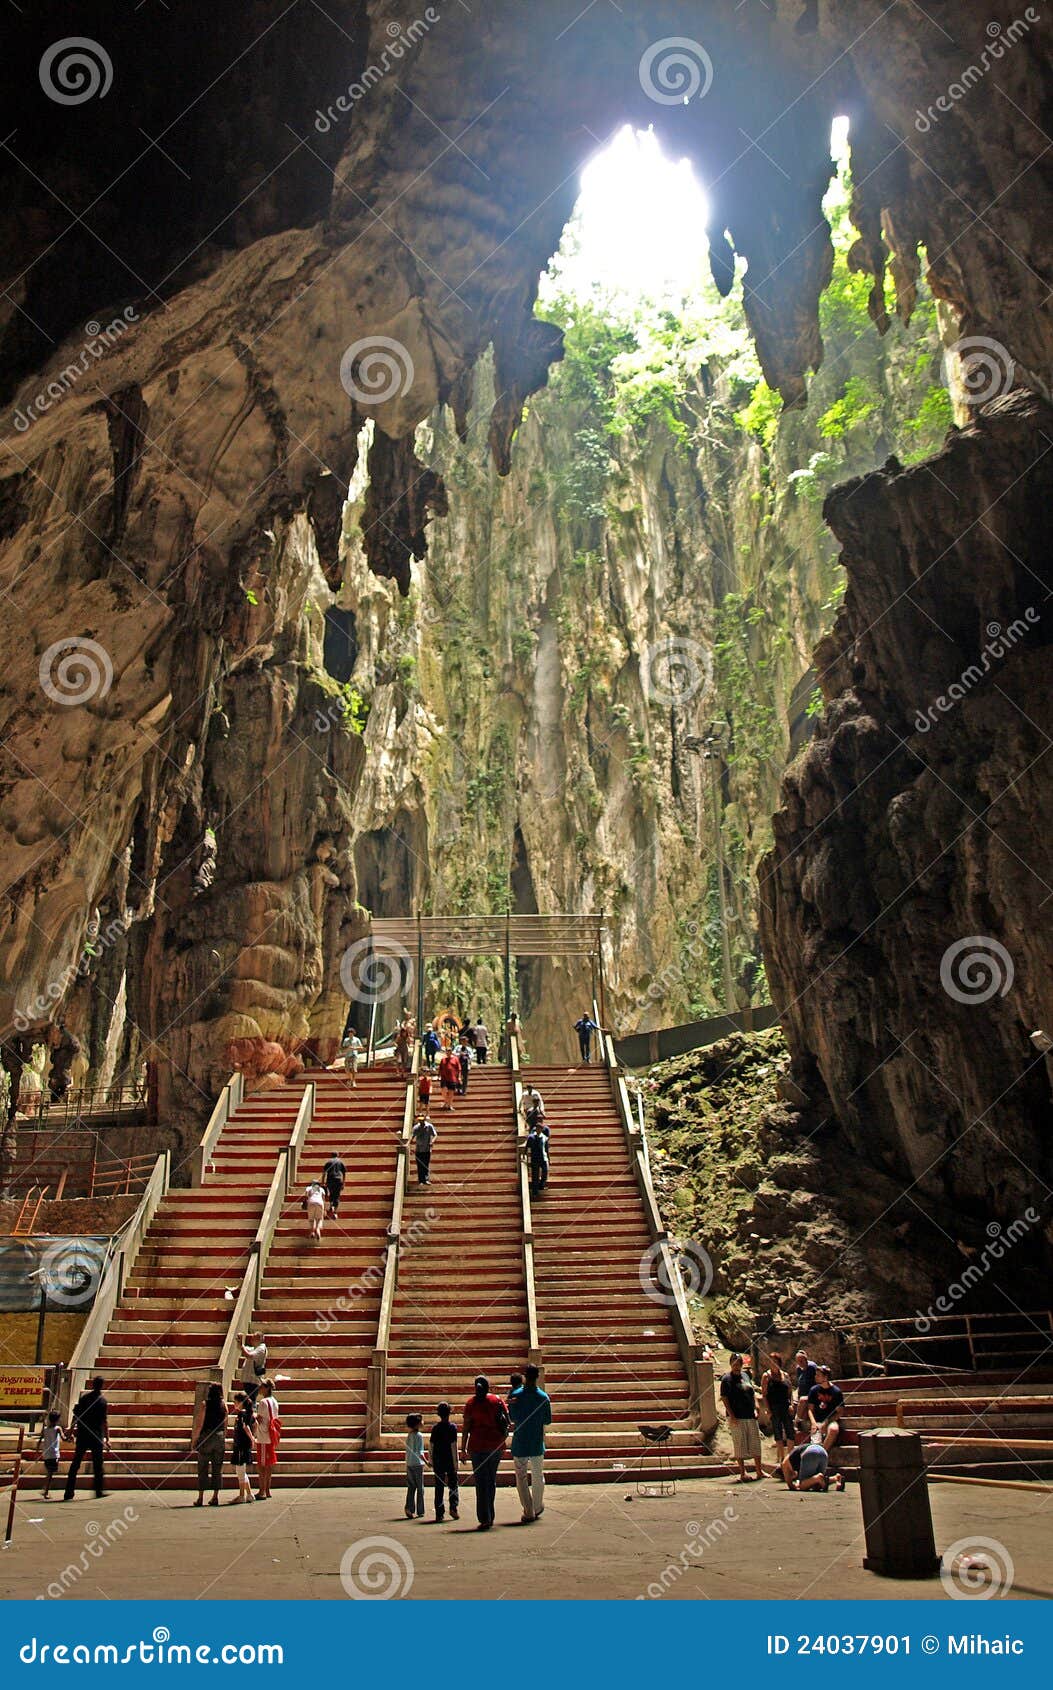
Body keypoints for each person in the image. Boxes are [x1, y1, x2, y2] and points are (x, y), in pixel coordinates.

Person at [460, 1375, 508, 1530]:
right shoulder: (497, 1400)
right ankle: (490, 1514)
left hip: (477, 1446)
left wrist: (463, 1449)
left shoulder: (471, 1403)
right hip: (495, 1445)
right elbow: (507, 1422)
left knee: (480, 1482)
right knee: (490, 1480)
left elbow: (466, 1428)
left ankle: (484, 1517)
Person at [509, 1363, 551, 1523]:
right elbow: (547, 1420)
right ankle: (537, 1506)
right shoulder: (543, 1397)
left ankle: (528, 1511)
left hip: (520, 1440)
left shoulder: (515, 1395)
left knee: (521, 1477)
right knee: (538, 1475)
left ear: (525, 1376)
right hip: (536, 1441)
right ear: (537, 1377)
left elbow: (512, 1417)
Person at [62, 1376, 110, 1499]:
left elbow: (76, 1415)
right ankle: (98, 1491)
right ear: (102, 1386)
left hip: (83, 1434)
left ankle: (69, 1491)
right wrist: (107, 1438)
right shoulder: (102, 1401)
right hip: (96, 1436)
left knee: (76, 1463)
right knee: (98, 1465)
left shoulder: (84, 1398)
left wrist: (71, 1430)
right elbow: (104, 1421)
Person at [720, 1353, 764, 1482]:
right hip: (737, 1416)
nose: (736, 1366)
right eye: (734, 1364)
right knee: (740, 1444)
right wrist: (732, 1415)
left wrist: (756, 1407)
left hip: (750, 1414)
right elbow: (724, 1398)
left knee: (755, 1442)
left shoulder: (745, 1376)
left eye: (738, 1364)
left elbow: (752, 1392)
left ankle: (759, 1471)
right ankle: (742, 1472)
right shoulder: (727, 1379)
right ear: (731, 1364)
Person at [191, 1381, 227, 1507]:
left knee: (202, 1467)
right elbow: (225, 1423)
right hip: (219, 1436)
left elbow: (199, 1424)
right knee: (217, 1468)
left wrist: (195, 1439)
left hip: (206, 1436)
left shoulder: (205, 1404)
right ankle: (215, 1496)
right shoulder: (223, 1405)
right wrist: (223, 1437)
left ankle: (200, 1497)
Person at [761, 1350, 796, 1473]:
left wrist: (791, 1404)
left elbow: (790, 1391)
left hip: (785, 1405)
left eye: (775, 1361)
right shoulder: (766, 1376)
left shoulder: (785, 1375)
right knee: (778, 1432)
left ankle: (791, 1457)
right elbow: (764, 1394)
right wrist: (768, 1409)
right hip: (774, 1407)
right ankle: (781, 1458)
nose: (773, 1363)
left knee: (790, 1430)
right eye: (771, 1361)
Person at [430, 1402, 459, 1521]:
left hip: (438, 1460)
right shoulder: (452, 1428)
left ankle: (439, 1513)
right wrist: (456, 1462)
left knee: (439, 1486)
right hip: (449, 1460)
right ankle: (453, 1507)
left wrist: (431, 1460)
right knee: (453, 1484)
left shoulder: (435, 1428)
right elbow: (454, 1446)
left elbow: (431, 1445)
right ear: (449, 1413)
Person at [807, 1365, 845, 1451]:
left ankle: (823, 1453)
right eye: (816, 1374)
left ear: (825, 1377)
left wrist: (827, 1422)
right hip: (817, 1421)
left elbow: (840, 1412)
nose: (815, 1377)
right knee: (815, 1441)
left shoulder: (836, 1392)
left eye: (818, 1375)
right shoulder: (813, 1390)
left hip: (831, 1420)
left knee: (833, 1429)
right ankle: (818, 1453)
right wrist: (813, 1423)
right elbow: (810, 1409)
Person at [254, 1379, 280, 1498]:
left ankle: (262, 1490)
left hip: (263, 1436)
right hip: (271, 1435)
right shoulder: (274, 1401)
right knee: (269, 1465)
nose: (259, 1388)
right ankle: (267, 1490)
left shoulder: (263, 1402)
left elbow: (259, 1419)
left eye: (261, 1386)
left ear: (266, 1388)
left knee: (262, 1466)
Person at [230, 1391, 256, 1503]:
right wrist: (252, 1437)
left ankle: (241, 1495)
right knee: (241, 1470)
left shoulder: (242, 1414)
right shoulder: (249, 1413)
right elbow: (255, 1424)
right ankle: (249, 1494)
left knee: (240, 1470)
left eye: (235, 1402)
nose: (234, 1404)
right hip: (244, 1444)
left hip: (241, 1445)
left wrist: (252, 1438)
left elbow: (246, 1427)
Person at [34, 1411, 62, 1498]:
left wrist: (37, 1453)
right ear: (57, 1420)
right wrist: (70, 1438)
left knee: (49, 1472)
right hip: (54, 1454)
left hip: (46, 1454)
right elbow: (64, 1438)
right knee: (51, 1473)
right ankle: (46, 1491)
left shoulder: (45, 1429)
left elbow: (39, 1441)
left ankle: (45, 1489)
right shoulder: (58, 1429)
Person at [404, 1414, 427, 1518]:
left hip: (409, 1464)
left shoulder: (409, 1435)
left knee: (411, 1487)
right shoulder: (419, 1436)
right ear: (417, 1424)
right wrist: (427, 1462)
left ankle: (409, 1508)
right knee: (420, 1488)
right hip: (418, 1464)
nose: (423, 1422)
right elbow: (420, 1452)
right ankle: (420, 1510)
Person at [239, 1332, 267, 1402]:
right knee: (248, 1401)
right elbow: (243, 1349)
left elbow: (249, 1355)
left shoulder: (261, 1348)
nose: (251, 1340)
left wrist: (242, 1345)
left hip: (253, 1380)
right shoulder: (255, 1348)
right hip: (249, 1379)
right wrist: (240, 1341)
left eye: (253, 1338)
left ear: (259, 1339)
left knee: (251, 1401)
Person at [524, 1120, 549, 1195]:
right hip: (535, 1158)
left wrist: (548, 1158)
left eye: (540, 1128)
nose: (538, 1130)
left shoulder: (544, 1137)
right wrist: (525, 1155)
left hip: (543, 1157)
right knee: (535, 1175)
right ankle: (535, 1191)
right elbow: (527, 1147)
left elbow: (546, 1148)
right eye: (537, 1128)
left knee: (545, 1171)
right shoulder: (531, 1137)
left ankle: (541, 1185)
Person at [413, 1114, 437, 1185]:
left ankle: (426, 1179)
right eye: (419, 1120)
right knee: (419, 1165)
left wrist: (432, 1141)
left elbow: (435, 1135)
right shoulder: (416, 1127)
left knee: (426, 1164)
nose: (421, 1121)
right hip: (419, 1149)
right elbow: (412, 1136)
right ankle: (421, 1180)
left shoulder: (429, 1126)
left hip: (427, 1149)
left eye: (422, 1120)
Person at [322, 1151, 346, 1218]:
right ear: (338, 1155)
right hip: (338, 1180)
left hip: (330, 1180)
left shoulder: (328, 1162)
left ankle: (331, 1205)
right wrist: (343, 1182)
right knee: (337, 1195)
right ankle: (335, 1211)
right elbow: (344, 1173)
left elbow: (324, 1173)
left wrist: (322, 1182)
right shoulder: (340, 1162)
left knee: (331, 1193)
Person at [437, 1048, 461, 1112]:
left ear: (451, 1052)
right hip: (444, 1078)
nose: (448, 1052)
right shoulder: (443, 1060)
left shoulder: (455, 1059)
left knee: (451, 1093)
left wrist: (459, 1077)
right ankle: (446, 1101)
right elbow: (440, 1068)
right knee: (443, 1091)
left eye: (449, 1051)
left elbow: (459, 1069)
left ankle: (449, 1105)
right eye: (447, 1051)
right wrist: (438, 1076)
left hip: (452, 1078)